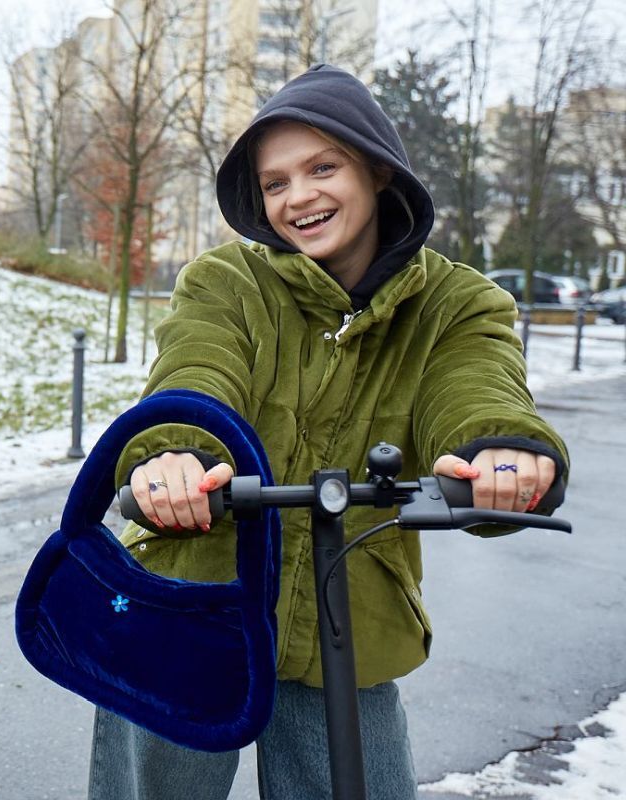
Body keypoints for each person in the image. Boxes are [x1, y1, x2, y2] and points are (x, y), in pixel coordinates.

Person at [90, 65, 568, 799]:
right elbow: (196, 370)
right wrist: (175, 453)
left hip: (348, 616)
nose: (299, 197)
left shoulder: (457, 303)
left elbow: (476, 382)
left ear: (377, 169)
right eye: (275, 183)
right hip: (193, 597)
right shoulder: (228, 282)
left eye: (323, 167)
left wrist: (499, 446)